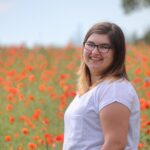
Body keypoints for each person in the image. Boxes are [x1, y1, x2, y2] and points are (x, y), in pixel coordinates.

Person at [63, 22, 140, 150]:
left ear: (117, 53)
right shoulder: (91, 89)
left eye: (104, 47)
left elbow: (115, 144)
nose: (95, 52)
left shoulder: (115, 89)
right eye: (90, 44)